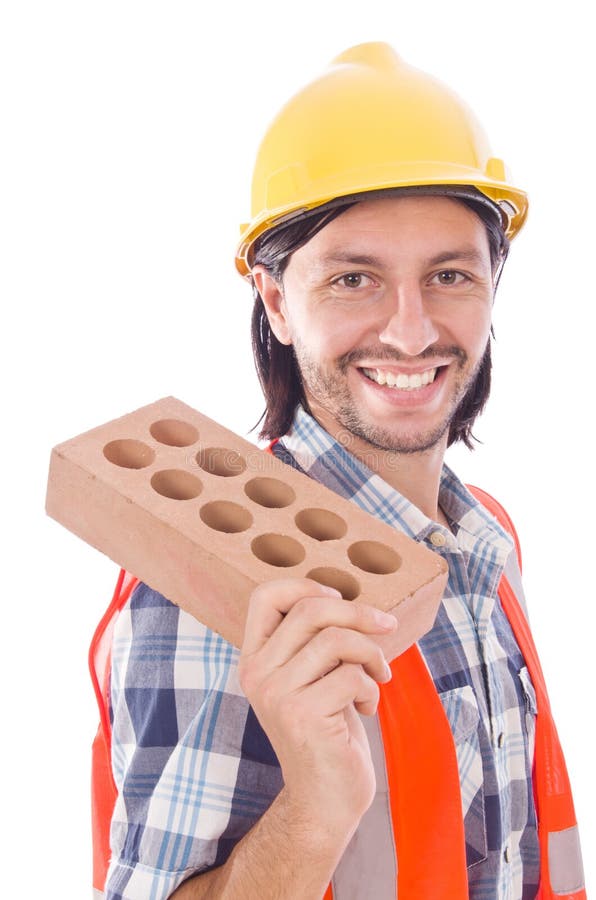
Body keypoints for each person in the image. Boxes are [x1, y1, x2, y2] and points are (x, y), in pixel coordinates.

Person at [93, 43, 585, 899]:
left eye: (450, 274)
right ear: (277, 301)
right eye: (355, 277)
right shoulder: (210, 584)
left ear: (494, 284)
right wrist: (318, 807)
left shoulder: (487, 540)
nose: (409, 329)